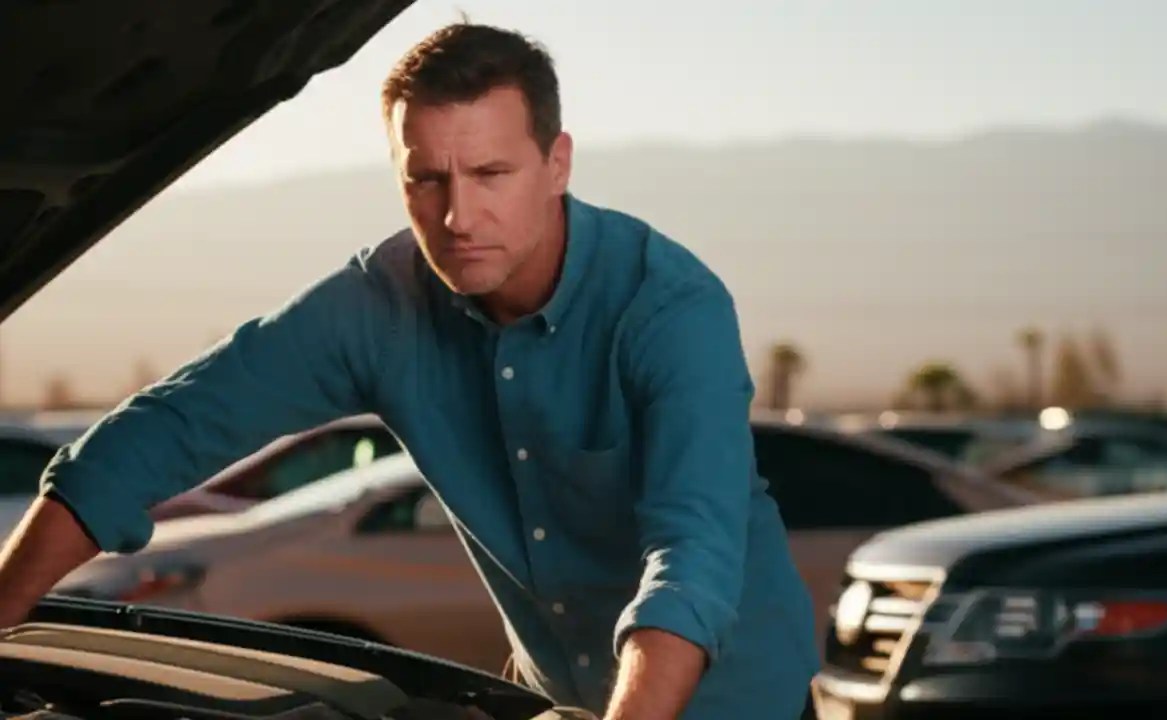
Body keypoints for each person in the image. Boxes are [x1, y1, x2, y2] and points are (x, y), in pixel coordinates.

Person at [0, 22, 819, 720]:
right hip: (548, 697)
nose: (458, 218)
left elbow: (693, 552)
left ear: (558, 164)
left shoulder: (669, 307)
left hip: (734, 700)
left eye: (492, 174)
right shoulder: (379, 304)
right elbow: (169, 427)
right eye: (426, 180)